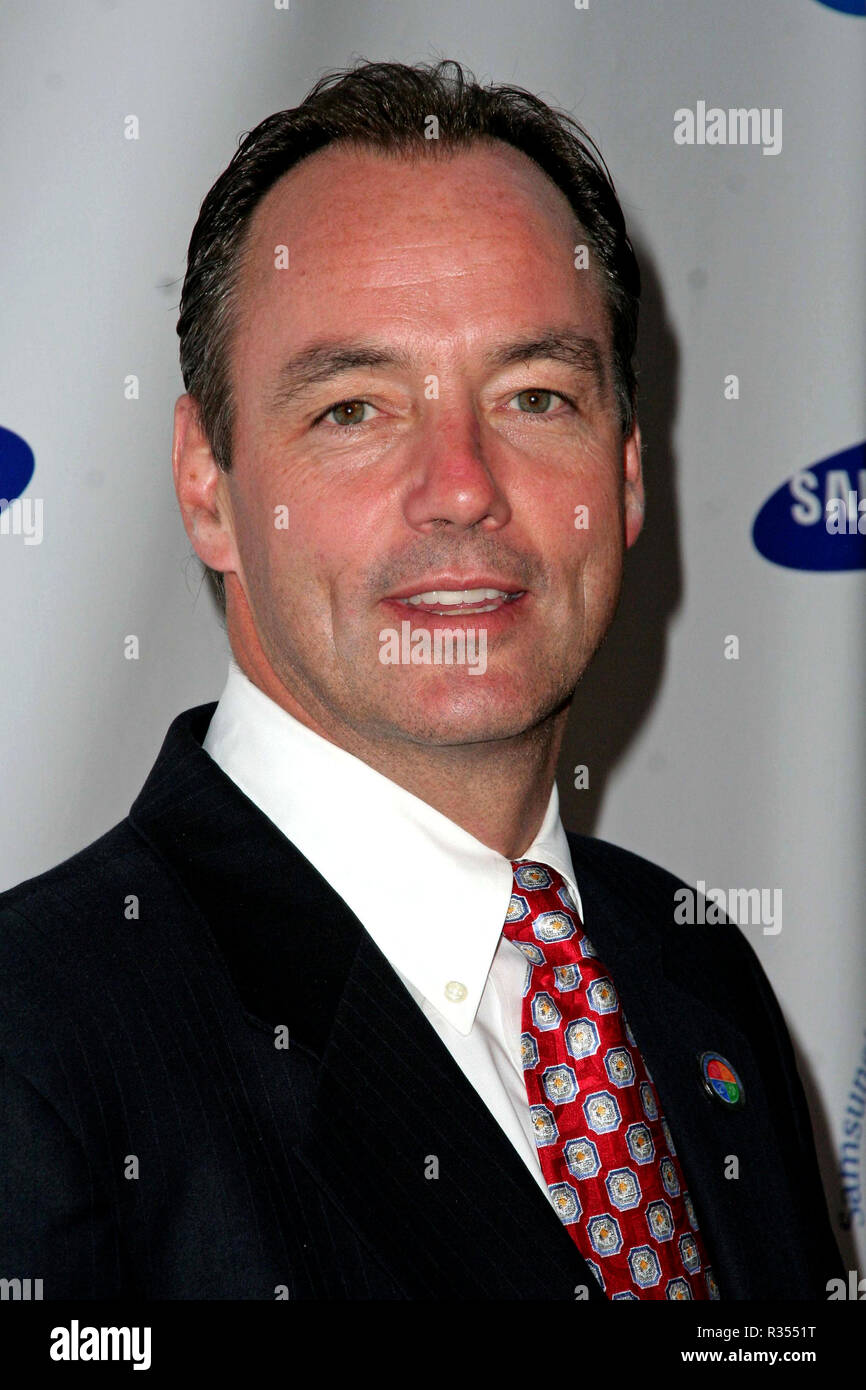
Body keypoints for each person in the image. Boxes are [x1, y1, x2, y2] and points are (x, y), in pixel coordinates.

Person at [0, 59, 842, 1301]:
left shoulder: (696, 974)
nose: (460, 483)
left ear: (622, 476)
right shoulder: (38, 1047)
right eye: (353, 409)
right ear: (206, 484)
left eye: (533, 395)